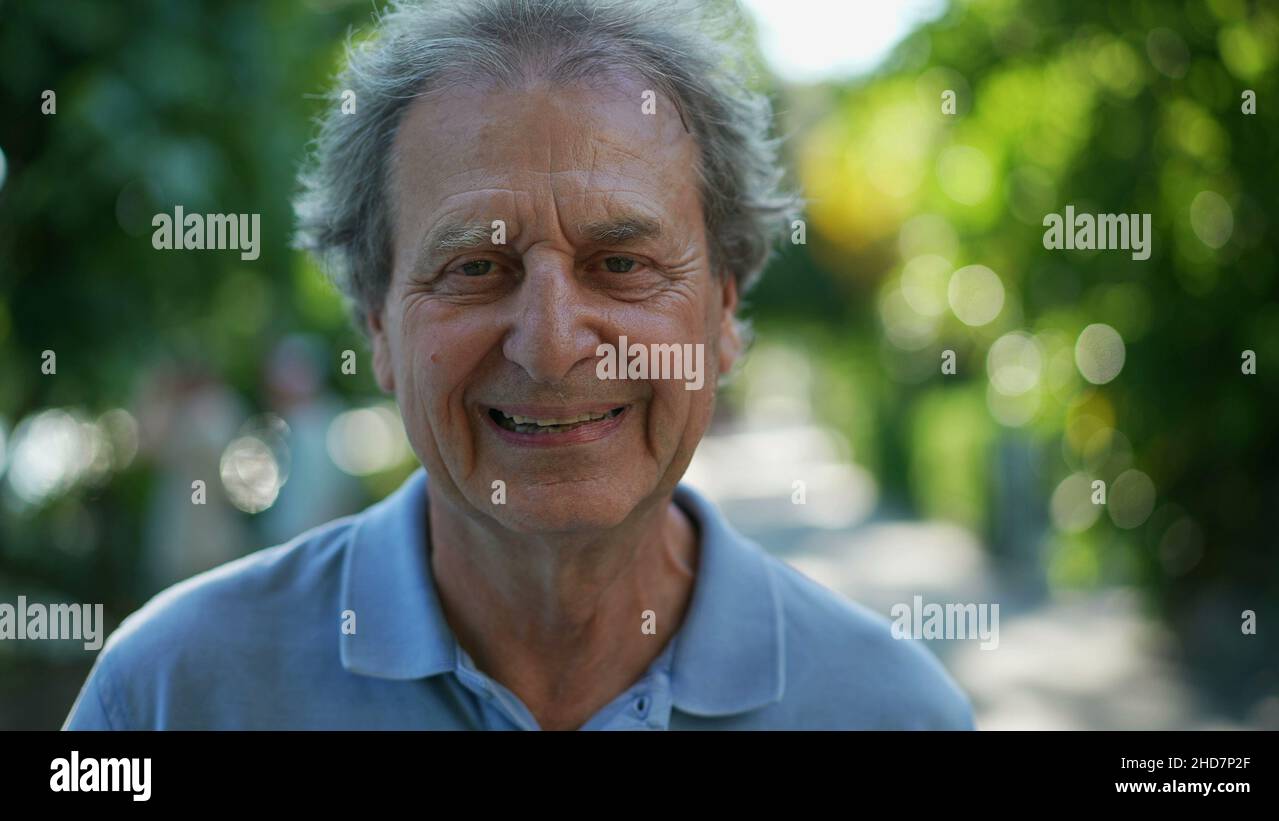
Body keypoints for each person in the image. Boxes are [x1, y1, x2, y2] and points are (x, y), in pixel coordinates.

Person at [64, 0, 973, 730]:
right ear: (377, 323)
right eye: (475, 268)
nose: (548, 344)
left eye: (621, 264)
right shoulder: (167, 695)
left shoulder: (894, 710)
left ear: (725, 311)